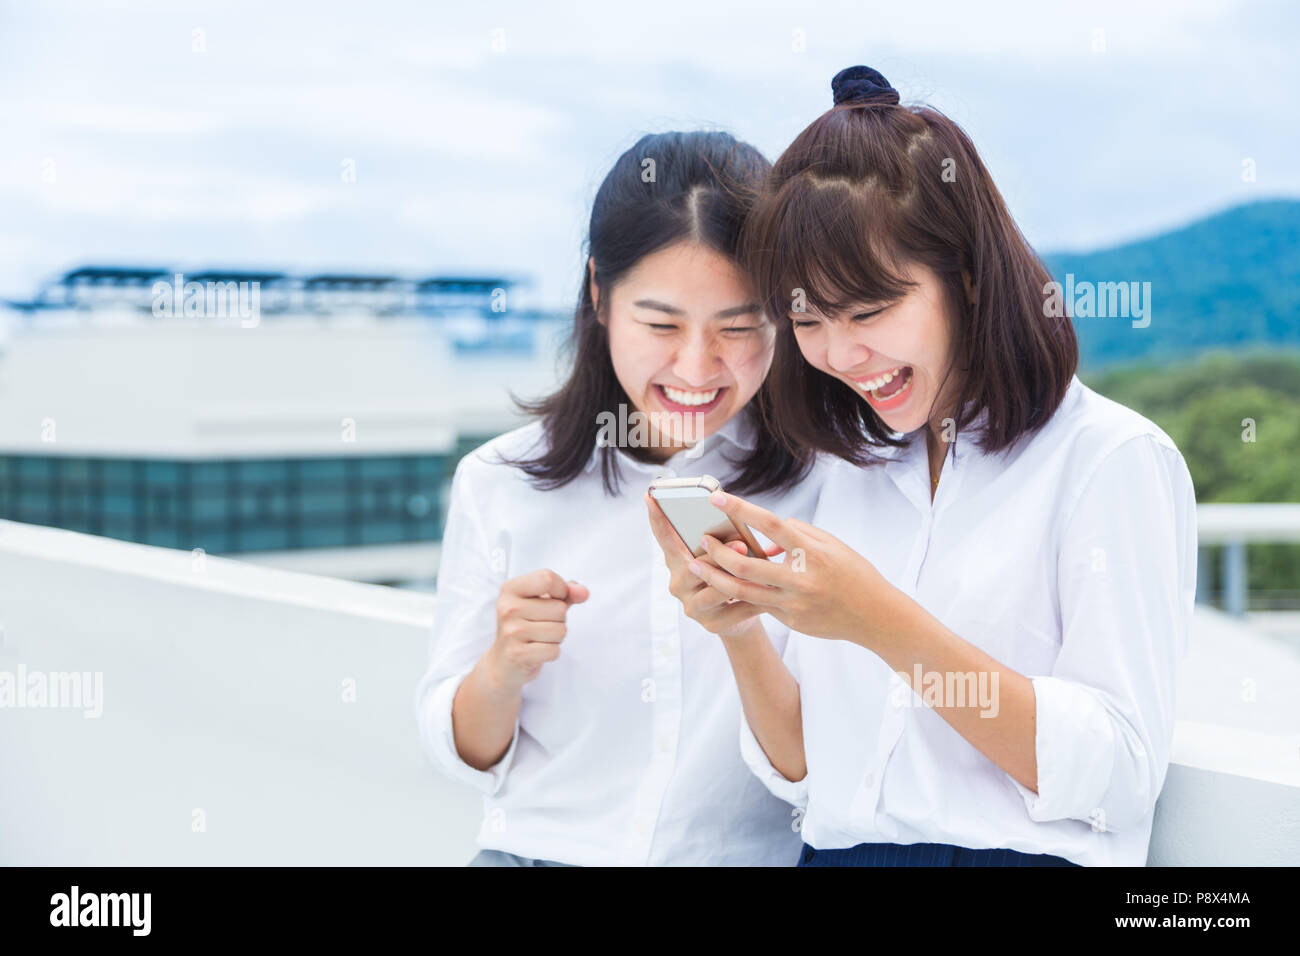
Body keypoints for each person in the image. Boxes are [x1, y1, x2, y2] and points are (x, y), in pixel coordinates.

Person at [647, 67, 1198, 867]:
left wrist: (880, 621)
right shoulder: (852, 471)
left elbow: (1116, 778)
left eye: (871, 311)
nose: (842, 354)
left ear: (968, 277)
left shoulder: (1109, 460)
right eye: (809, 319)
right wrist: (739, 629)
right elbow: (802, 771)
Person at [415, 130, 825, 866]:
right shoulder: (502, 480)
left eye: (739, 328)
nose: (698, 368)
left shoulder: (828, 483)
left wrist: (743, 628)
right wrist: (504, 666)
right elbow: (464, 755)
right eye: (661, 325)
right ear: (599, 294)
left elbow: (816, 765)